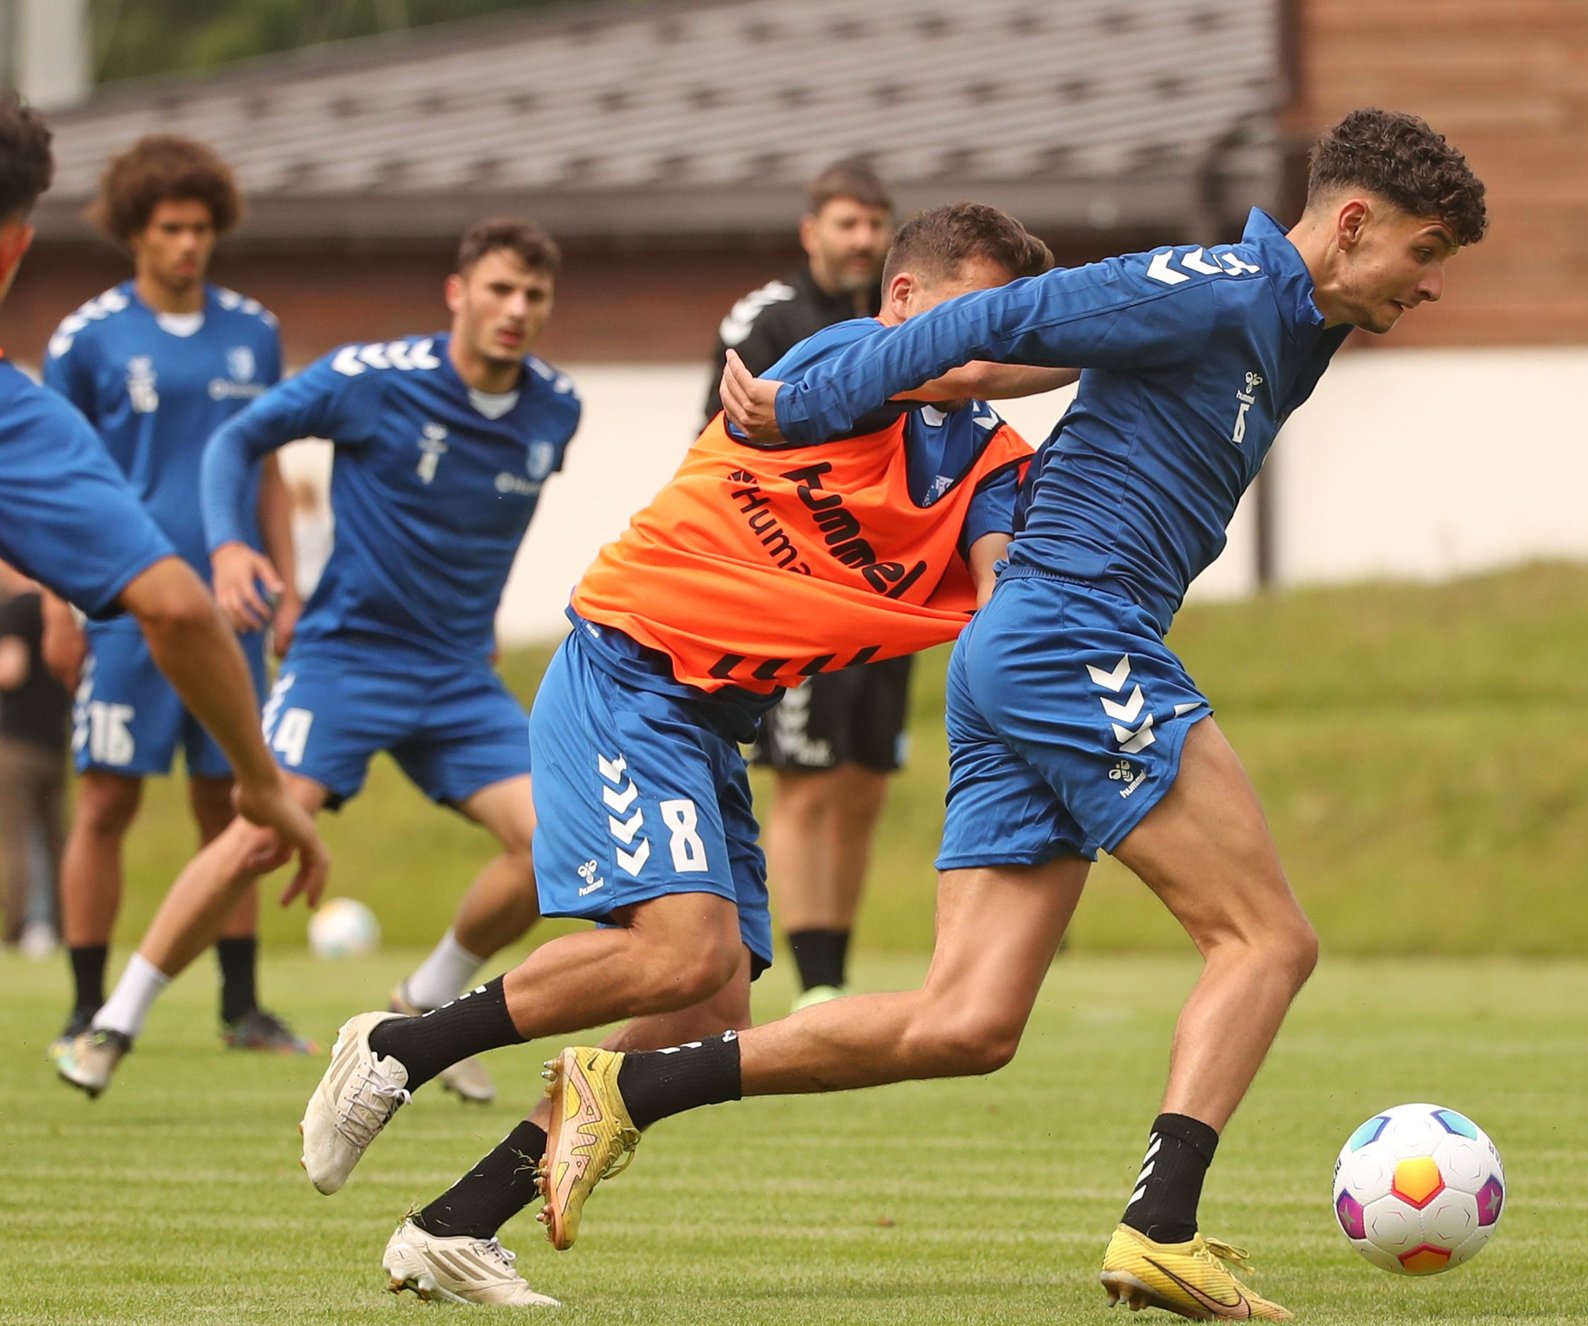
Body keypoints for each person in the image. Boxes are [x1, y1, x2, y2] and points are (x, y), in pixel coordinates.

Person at [555, 107, 1482, 1320]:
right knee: (1265, 940)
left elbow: (998, 364)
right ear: (1350, 224)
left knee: (967, 1022)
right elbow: (1000, 318)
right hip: (1070, 634)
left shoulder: (1292, 320)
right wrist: (812, 395)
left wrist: (921, 376)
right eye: (1422, 254)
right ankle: (1161, 1230)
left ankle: (625, 1092)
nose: (1427, 289)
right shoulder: (1215, 282)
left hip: (1026, 650)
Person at [295, 203, 1068, 1307]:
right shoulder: (839, 361)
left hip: (713, 721)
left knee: (707, 1008)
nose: (997, 347)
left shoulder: (992, 459)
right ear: (902, 303)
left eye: (1014, 323)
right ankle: (399, 1047)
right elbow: (912, 373)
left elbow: (996, 586)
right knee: (672, 950)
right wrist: (1136, 321)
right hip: (630, 663)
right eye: (976, 314)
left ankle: (454, 1224)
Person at [53, 217, 581, 1100]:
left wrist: (482, 612)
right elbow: (235, 441)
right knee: (260, 829)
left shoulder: (556, 407)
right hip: (345, 662)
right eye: (499, 289)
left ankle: (424, 1003)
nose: (516, 309)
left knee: (556, 845)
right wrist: (228, 548)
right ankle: (113, 1023)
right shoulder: (370, 380)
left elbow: (487, 519)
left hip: (455, 677)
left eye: (534, 295)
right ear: (458, 293)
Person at [0, 97, 326, 980]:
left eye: (201, 228)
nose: (189, 244)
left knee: (231, 800)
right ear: (133, 234)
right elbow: (46, 484)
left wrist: (288, 590)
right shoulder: (88, 339)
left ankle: (241, 1000)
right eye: (170, 228)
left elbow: (265, 469)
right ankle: (82, 998)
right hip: (118, 607)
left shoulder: (252, 331)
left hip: (229, 601)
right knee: (106, 800)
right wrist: (62, 610)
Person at [707, 161, 903, 1009]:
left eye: (873, 225)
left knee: (863, 782)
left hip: (887, 593)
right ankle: (814, 980)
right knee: (807, 779)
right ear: (810, 230)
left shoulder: (895, 319)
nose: (861, 240)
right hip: (801, 593)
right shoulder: (767, 319)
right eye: (847, 223)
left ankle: (840, 969)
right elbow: (723, 448)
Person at [0, 563, 70, 954]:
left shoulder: (16, 609)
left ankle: (24, 925)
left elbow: (9, 670)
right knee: (54, 838)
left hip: (16, 744)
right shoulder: (54, 609)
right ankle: (60, 925)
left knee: (17, 840)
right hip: (54, 744)